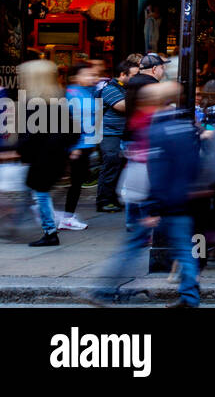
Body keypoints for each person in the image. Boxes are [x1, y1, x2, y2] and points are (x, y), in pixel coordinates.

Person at [86, 81, 202, 307]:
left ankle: (105, 291)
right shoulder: (186, 126)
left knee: (130, 248)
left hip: (160, 201)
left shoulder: (157, 130)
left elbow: (157, 171)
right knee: (185, 250)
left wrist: (154, 207)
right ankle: (190, 297)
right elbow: (193, 164)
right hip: (181, 198)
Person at [15, 60, 75, 247]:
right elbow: (73, 131)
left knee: (39, 193)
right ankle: (36, 225)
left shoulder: (34, 103)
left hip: (42, 158)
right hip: (53, 156)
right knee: (38, 192)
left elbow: (29, 136)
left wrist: (18, 149)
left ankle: (49, 231)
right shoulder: (58, 101)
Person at [60, 61, 101, 231]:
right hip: (77, 145)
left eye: (92, 74)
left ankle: (65, 214)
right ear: (75, 77)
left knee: (79, 180)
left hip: (86, 143)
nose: (92, 77)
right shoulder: (71, 94)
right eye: (87, 74)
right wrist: (74, 146)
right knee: (75, 182)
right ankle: (66, 217)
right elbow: (70, 122)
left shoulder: (88, 91)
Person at [96, 60, 131, 213]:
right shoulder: (111, 88)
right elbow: (123, 106)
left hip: (120, 133)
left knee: (117, 166)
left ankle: (112, 198)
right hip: (109, 133)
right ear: (123, 74)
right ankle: (104, 201)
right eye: (134, 75)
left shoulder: (126, 88)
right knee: (111, 164)